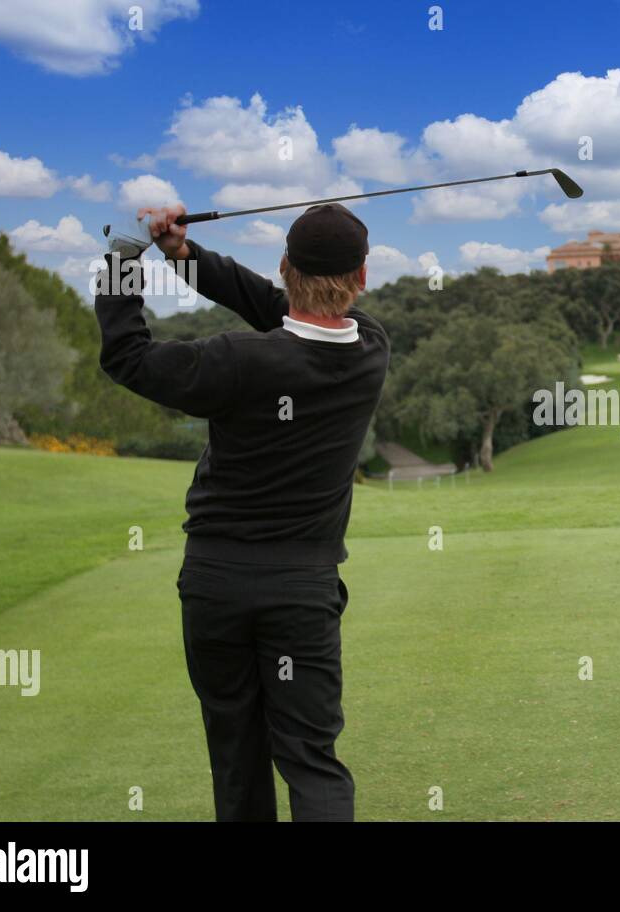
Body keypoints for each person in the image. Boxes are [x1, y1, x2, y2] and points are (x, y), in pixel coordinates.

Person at [94, 202, 389, 821]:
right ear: (362, 279)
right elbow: (280, 308)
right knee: (311, 758)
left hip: (216, 584)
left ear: (284, 267)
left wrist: (126, 254)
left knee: (236, 756)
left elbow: (127, 356)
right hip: (303, 591)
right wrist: (185, 256)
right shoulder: (370, 349)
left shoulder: (232, 360)